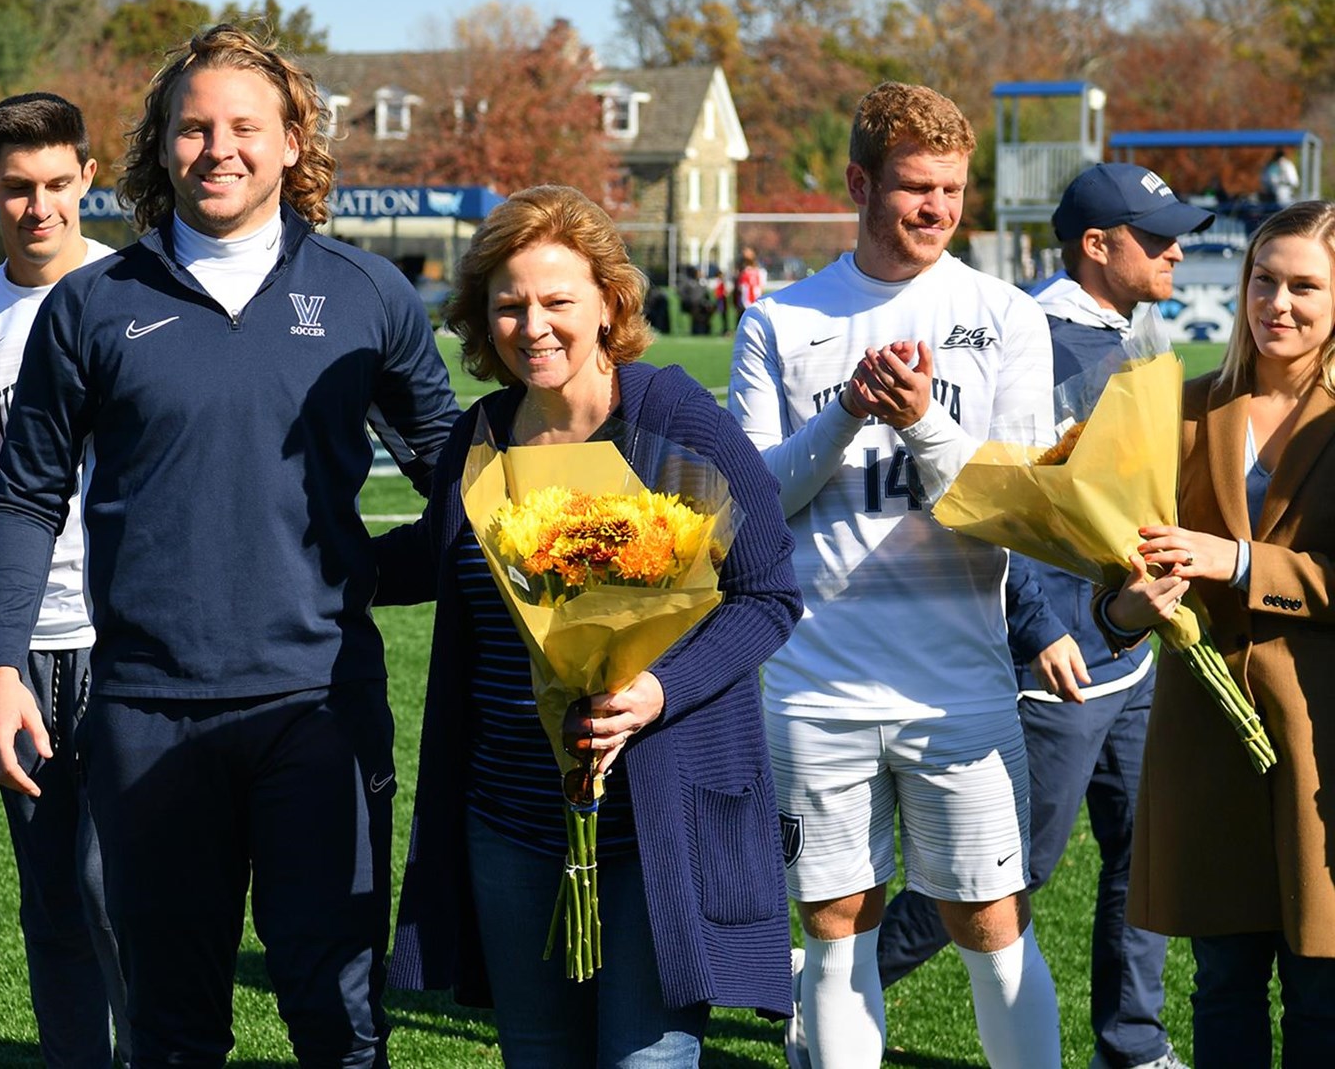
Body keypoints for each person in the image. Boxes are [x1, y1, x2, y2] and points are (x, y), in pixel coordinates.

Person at [0, 23, 459, 1067]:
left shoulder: (367, 293)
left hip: (317, 707)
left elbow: (463, 478)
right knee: (171, 1022)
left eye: (246, 125)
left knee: (337, 1017)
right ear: (160, 144)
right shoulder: (91, 304)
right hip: (149, 711)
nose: (219, 148)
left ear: (294, 141)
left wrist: (384, 572)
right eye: (193, 128)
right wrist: (3, 660)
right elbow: (24, 496)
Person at [379, 184, 802, 1065]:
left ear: (608, 303)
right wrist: (283, 554)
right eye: (508, 304)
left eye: (556, 300)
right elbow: (431, 557)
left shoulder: (676, 421)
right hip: (508, 825)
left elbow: (767, 594)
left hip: (655, 830)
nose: (531, 324)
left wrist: (653, 690)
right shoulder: (480, 435)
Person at [728, 82, 1061, 1069]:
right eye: (915, 188)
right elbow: (751, 506)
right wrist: (845, 413)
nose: (936, 211)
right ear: (859, 182)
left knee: (993, 922)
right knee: (836, 923)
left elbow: (1020, 508)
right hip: (812, 680)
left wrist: (919, 414)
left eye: (952, 190)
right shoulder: (780, 320)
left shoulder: (1005, 314)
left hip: (959, 681)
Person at [873, 163, 1212, 1069]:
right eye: (1157, 235)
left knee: (1146, 861)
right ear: (1097, 247)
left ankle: (1132, 1045)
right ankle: (832, 976)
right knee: (1003, 871)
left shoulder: (1128, 335)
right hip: (1059, 660)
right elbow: (981, 497)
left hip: (1131, 653)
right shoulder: (1034, 337)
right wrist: (1038, 627)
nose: (1178, 248)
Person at [0, 92, 128, 1067]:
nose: (39, 207)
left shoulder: (147, 294)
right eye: (16, 189)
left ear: (89, 175)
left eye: (56, 184)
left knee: (123, 884)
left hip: (137, 638)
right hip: (24, 643)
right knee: (55, 894)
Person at [1102, 200, 1335, 1065]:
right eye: (1262, 280)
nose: (1278, 302)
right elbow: (1113, 592)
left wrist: (1236, 563)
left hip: (1322, 740)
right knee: (1223, 984)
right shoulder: (1182, 409)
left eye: (1305, 286)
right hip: (1207, 739)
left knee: (1322, 989)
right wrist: (1134, 605)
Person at [733, 247, 766, 317]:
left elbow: (761, 288)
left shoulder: (758, 271)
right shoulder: (742, 271)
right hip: (744, 302)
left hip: (749, 302)